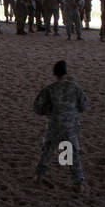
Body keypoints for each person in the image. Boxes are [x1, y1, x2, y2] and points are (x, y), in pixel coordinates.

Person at [32, 60, 88, 192]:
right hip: (70, 127)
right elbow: (83, 106)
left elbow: (37, 107)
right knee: (72, 154)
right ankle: (78, 183)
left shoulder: (49, 89)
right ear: (66, 72)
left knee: (47, 151)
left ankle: (38, 175)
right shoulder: (75, 88)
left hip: (54, 126)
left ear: (54, 73)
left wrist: (46, 111)